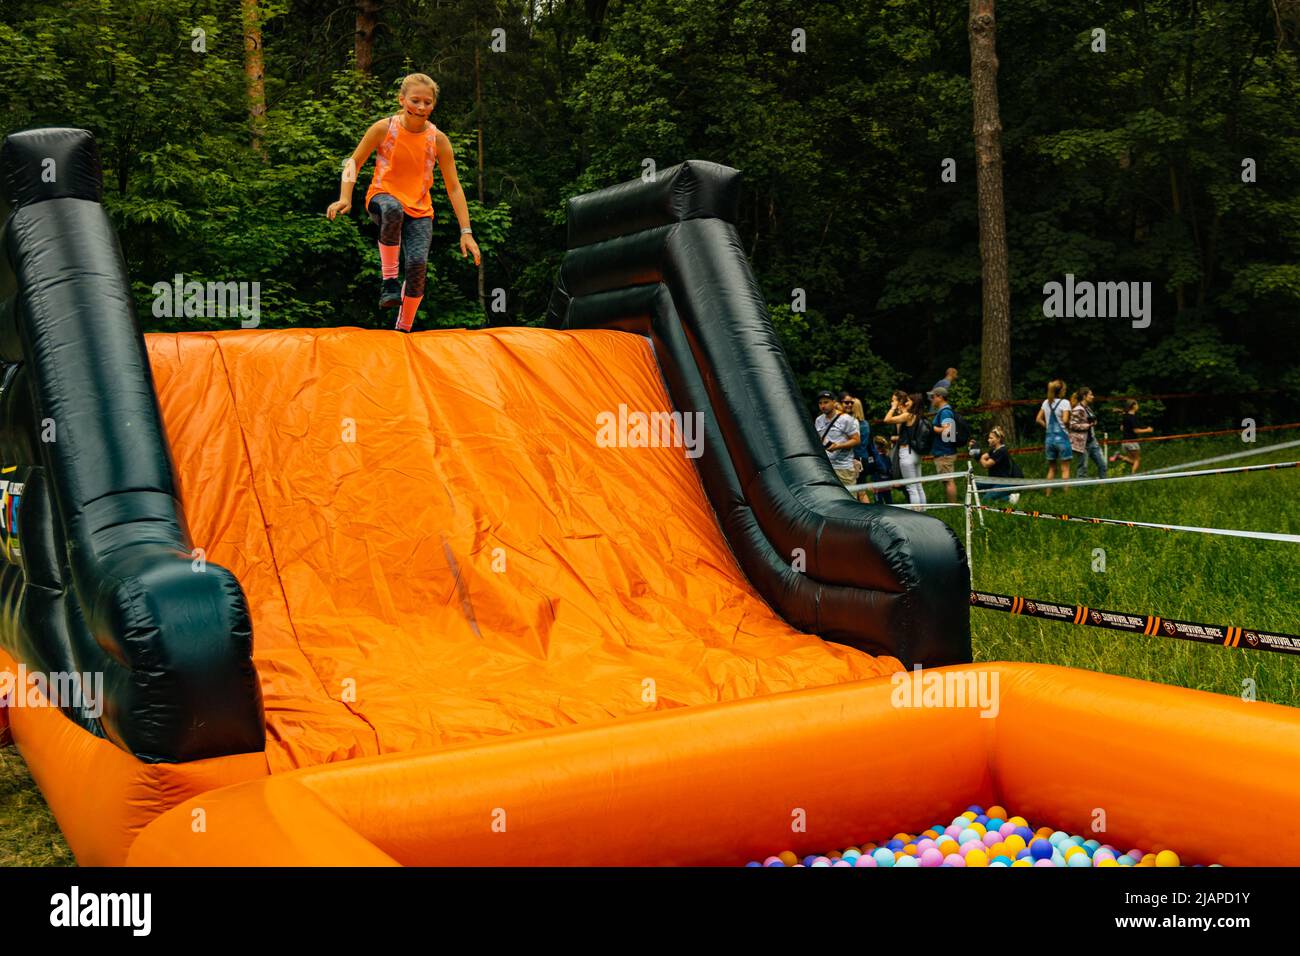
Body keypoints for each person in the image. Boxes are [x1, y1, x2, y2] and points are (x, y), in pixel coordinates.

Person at [327, 73, 482, 332]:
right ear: (402, 100)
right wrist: (345, 196)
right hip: (382, 198)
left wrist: (466, 232)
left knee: (418, 266)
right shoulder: (384, 129)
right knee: (393, 209)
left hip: (420, 211)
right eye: (415, 101)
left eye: (427, 102)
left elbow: (454, 187)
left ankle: (403, 329)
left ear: (433, 105)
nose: (421, 107)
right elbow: (352, 162)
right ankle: (389, 282)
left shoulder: (438, 140)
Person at [883, 392, 927, 507]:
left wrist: (893, 408)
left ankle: (916, 516)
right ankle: (923, 513)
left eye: (894, 400)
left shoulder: (907, 415)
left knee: (911, 487)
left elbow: (886, 420)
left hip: (906, 453)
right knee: (918, 485)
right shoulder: (916, 415)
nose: (892, 402)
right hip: (916, 453)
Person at [814, 390, 860, 488]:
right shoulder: (818, 420)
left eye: (826, 402)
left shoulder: (846, 419)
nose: (823, 406)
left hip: (843, 467)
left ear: (834, 402)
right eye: (820, 403)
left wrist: (838, 446)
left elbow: (856, 440)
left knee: (849, 499)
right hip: (825, 467)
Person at [1035, 379, 1072, 494]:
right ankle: (1066, 494)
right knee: (1065, 468)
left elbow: (1038, 419)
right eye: (1064, 389)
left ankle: (1048, 493)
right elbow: (1065, 420)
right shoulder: (1065, 402)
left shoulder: (1046, 402)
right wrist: (1068, 426)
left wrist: (1047, 427)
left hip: (1049, 439)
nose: (1065, 391)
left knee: (1052, 468)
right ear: (1060, 391)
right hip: (1062, 439)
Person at [1069, 387, 1107, 480]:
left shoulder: (1087, 408)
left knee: (1103, 465)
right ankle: (1080, 491)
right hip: (1082, 443)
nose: (1092, 397)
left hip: (1092, 441)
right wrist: (1087, 426)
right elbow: (1072, 425)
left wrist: (1093, 422)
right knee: (1083, 469)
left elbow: (1090, 421)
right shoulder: (1078, 409)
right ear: (1084, 396)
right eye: (1090, 394)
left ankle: (1103, 487)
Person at [929, 387, 959, 503]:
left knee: (948, 480)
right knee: (947, 480)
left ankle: (953, 506)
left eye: (933, 397)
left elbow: (948, 430)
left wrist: (932, 428)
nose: (931, 400)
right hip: (944, 450)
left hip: (945, 451)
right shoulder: (944, 411)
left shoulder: (945, 411)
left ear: (940, 397)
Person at [841, 392, 872, 502]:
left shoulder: (853, 424)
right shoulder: (866, 424)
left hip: (856, 459)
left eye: (851, 404)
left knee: (856, 492)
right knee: (862, 491)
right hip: (864, 457)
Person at [978, 427, 1021, 503]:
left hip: (1003, 483)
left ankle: (1010, 498)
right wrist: (979, 455)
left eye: (991, 438)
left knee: (985, 500)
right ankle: (995, 495)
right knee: (975, 485)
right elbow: (983, 459)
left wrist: (980, 456)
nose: (988, 440)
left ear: (998, 439)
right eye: (989, 438)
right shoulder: (993, 450)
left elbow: (986, 465)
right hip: (993, 481)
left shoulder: (1001, 451)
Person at [1111, 399, 1153, 473]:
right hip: (1132, 441)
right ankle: (1133, 476)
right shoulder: (1132, 417)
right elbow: (1136, 431)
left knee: (1133, 461)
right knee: (1137, 460)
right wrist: (1147, 430)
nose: (1138, 406)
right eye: (1137, 404)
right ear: (1133, 406)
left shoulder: (1125, 416)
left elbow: (1122, 428)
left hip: (1124, 442)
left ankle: (1119, 456)